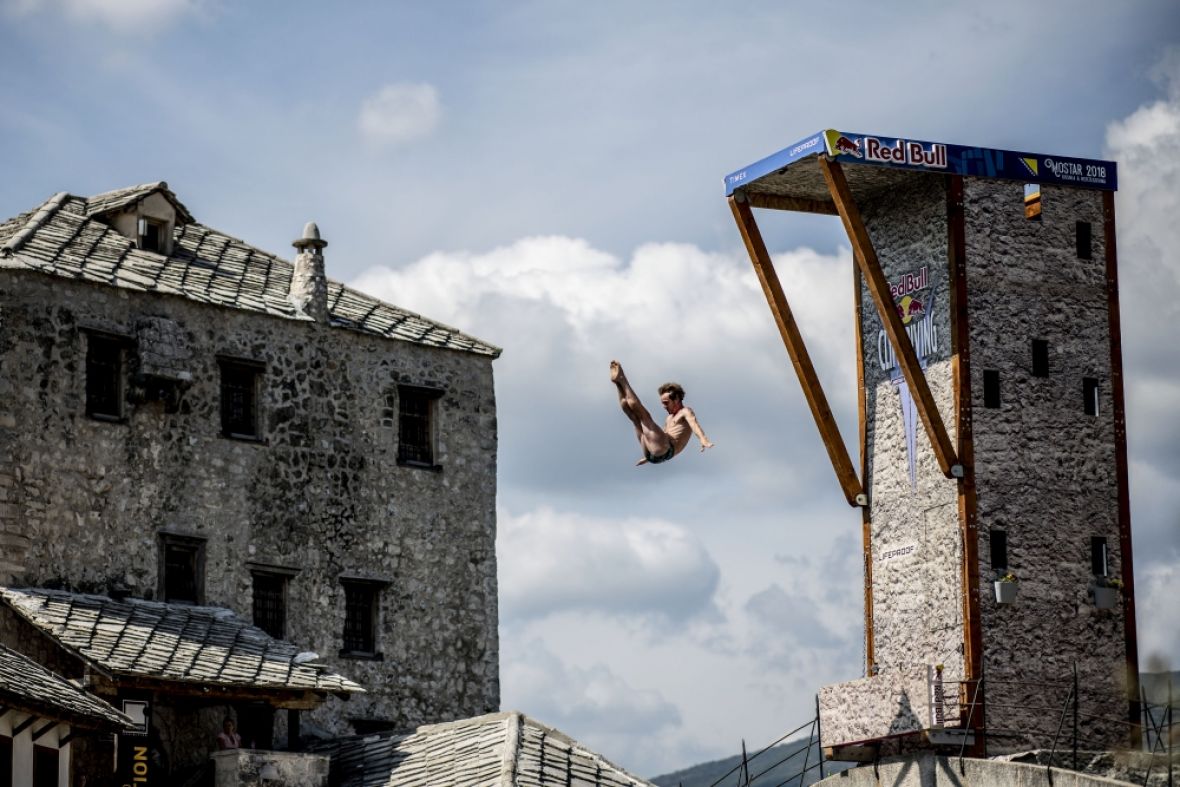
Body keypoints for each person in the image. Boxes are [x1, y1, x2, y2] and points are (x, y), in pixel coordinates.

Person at [610, 360, 713, 466]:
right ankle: (618, 384)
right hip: (651, 453)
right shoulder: (669, 418)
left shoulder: (685, 411)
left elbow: (694, 424)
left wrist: (703, 439)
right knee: (634, 418)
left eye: (666, 403)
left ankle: (622, 381)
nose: (664, 406)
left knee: (644, 417)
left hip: (665, 450)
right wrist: (647, 458)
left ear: (677, 399)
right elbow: (659, 436)